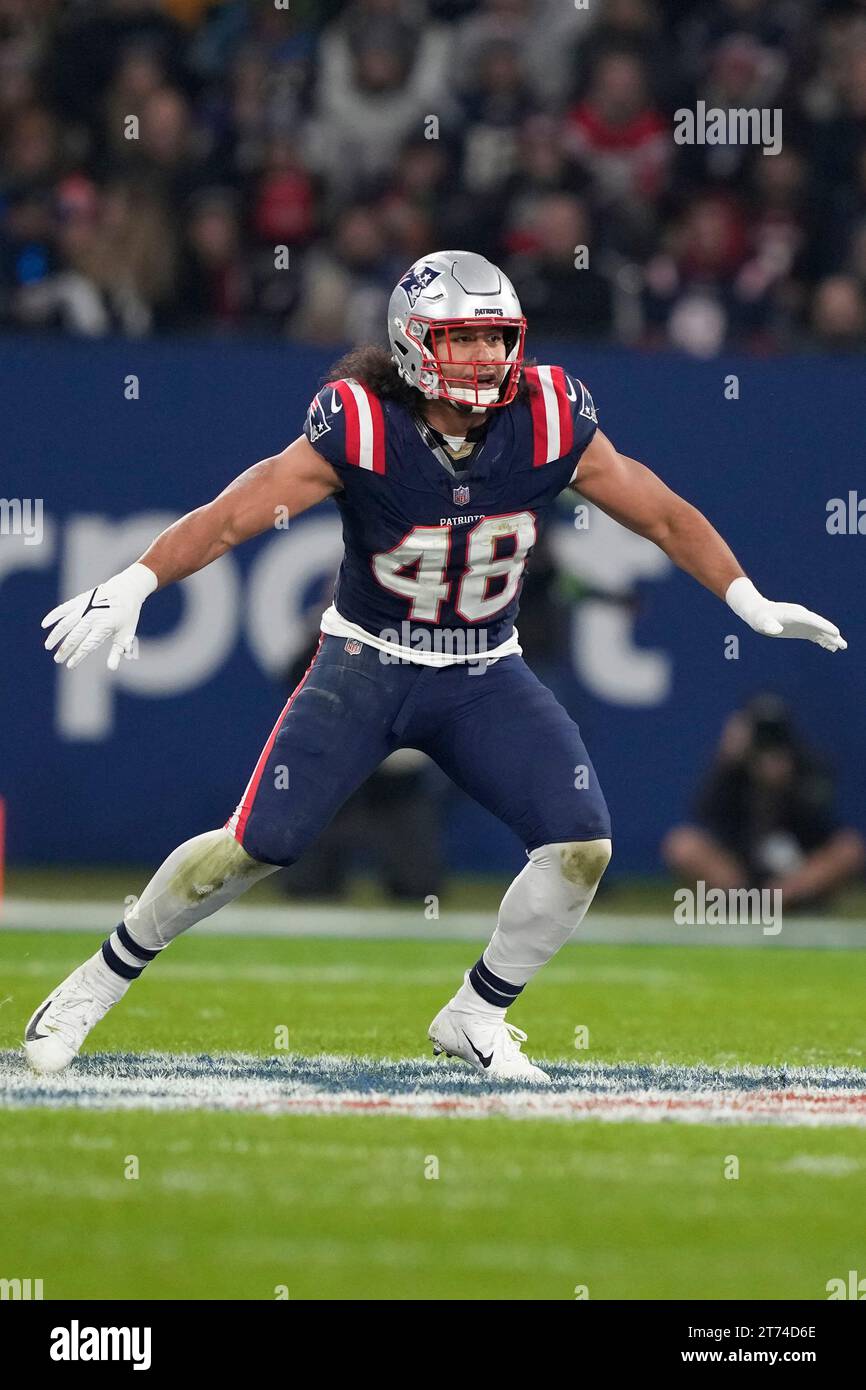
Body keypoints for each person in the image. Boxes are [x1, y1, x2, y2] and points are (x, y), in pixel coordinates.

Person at [27, 250, 846, 1083]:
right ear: (415, 345)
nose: (489, 358)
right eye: (465, 339)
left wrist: (751, 603)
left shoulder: (552, 414)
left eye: (497, 337)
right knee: (256, 845)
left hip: (484, 671)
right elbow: (239, 511)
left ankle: (476, 1013)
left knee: (581, 844)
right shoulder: (360, 422)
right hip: (366, 662)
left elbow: (664, 516)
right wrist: (139, 579)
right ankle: (95, 981)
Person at [662, 694, 865, 910]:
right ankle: (746, 905)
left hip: (796, 868)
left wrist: (785, 785)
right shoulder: (731, 771)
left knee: (849, 848)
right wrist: (726, 760)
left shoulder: (806, 766)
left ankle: (786, 902)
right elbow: (703, 812)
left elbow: (823, 821)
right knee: (682, 844)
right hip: (742, 872)